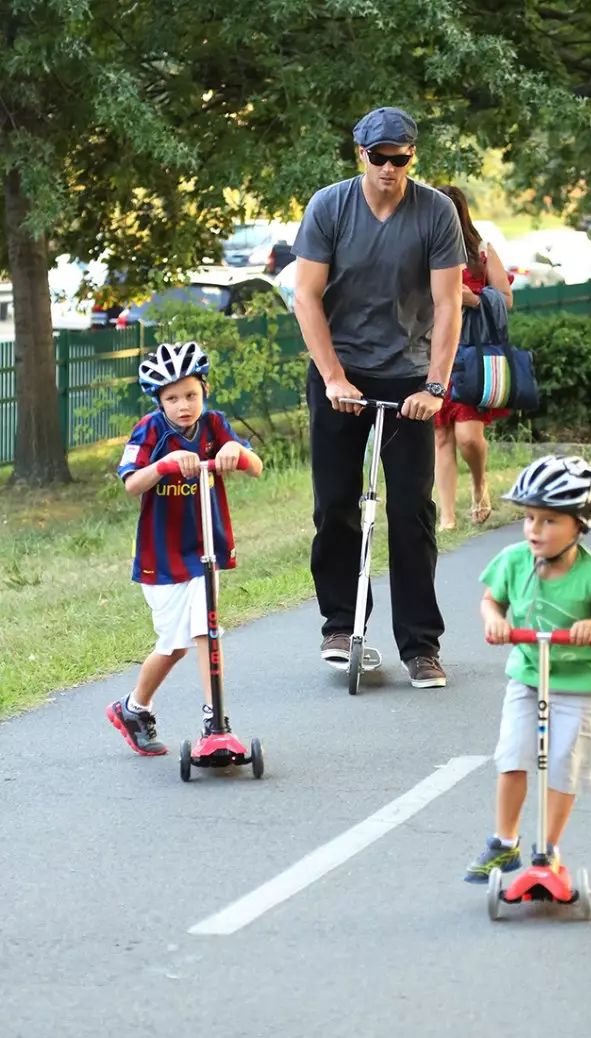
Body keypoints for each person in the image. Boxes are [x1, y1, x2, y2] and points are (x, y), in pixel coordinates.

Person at [291, 106, 466, 689]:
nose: (390, 168)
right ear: (360, 153)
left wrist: (435, 385)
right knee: (335, 505)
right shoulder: (330, 207)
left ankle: (421, 645)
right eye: (379, 157)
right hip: (340, 372)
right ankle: (341, 625)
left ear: (412, 156)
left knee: (412, 512)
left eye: (401, 158)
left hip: (407, 377)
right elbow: (306, 298)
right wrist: (335, 377)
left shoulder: (435, 212)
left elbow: (447, 305)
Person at [464, 455, 591, 883]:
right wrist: (495, 621)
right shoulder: (514, 561)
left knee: (563, 765)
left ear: (582, 523)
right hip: (528, 675)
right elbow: (490, 600)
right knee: (513, 755)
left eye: (549, 521)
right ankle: (504, 844)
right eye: (529, 518)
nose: (534, 531)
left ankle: (548, 850)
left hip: (583, 686)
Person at [106, 341, 263, 755]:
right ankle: (133, 707)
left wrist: (236, 450)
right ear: (159, 402)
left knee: (205, 631)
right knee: (173, 645)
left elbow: (256, 466)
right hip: (162, 556)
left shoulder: (214, 426)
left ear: (204, 391)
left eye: (191, 395)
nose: (183, 406)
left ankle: (216, 721)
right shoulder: (150, 430)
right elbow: (130, 483)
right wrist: (163, 466)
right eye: (172, 398)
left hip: (204, 550)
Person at [433, 185, 513, 531]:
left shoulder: (480, 251)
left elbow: (506, 299)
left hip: (471, 353)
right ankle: (448, 516)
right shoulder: (421, 249)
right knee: (441, 436)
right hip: (432, 351)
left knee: (467, 435)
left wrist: (474, 298)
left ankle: (480, 483)